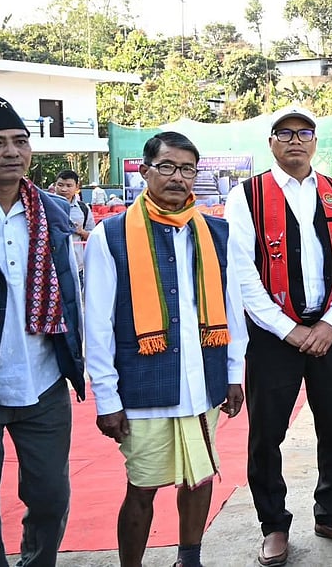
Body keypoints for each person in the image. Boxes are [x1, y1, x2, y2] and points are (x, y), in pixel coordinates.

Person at [84, 131, 249, 567]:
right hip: (144, 389)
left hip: (203, 383)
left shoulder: (216, 233)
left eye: (188, 168)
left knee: (199, 477)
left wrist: (233, 374)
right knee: (141, 487)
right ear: (146, 169)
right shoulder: (111, 235)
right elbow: (97, 324)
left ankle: (189, 557)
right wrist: (107, 398)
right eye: (168, 167)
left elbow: (233, 308)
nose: (178, 177)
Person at [224, 104, 332, 566]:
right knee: (267, 434)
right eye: (283, 133)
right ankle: (273, 525)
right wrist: (289, 330)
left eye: (303, 132)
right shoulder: (247, 196)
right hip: (272, 336)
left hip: (329, 332)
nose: (294, 140)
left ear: (314, 141)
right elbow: (243, 276)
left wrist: (329, 324)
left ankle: (331, 512)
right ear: (270, 142)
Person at [0, 93, 86, 566]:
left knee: (52, 497)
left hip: (44, 381)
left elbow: (76, 295)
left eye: (20, 141)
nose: (12, 151)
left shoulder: (54, 213)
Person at [53, 169, 95, 289]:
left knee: (75, 303)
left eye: (69, 185)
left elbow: (93, 235)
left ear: (77, 187)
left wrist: (81, 232)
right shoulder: (44, 205)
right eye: (60, 185)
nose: (64, 189)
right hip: (52, 266)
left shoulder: (83, 208)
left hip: (77, 266)